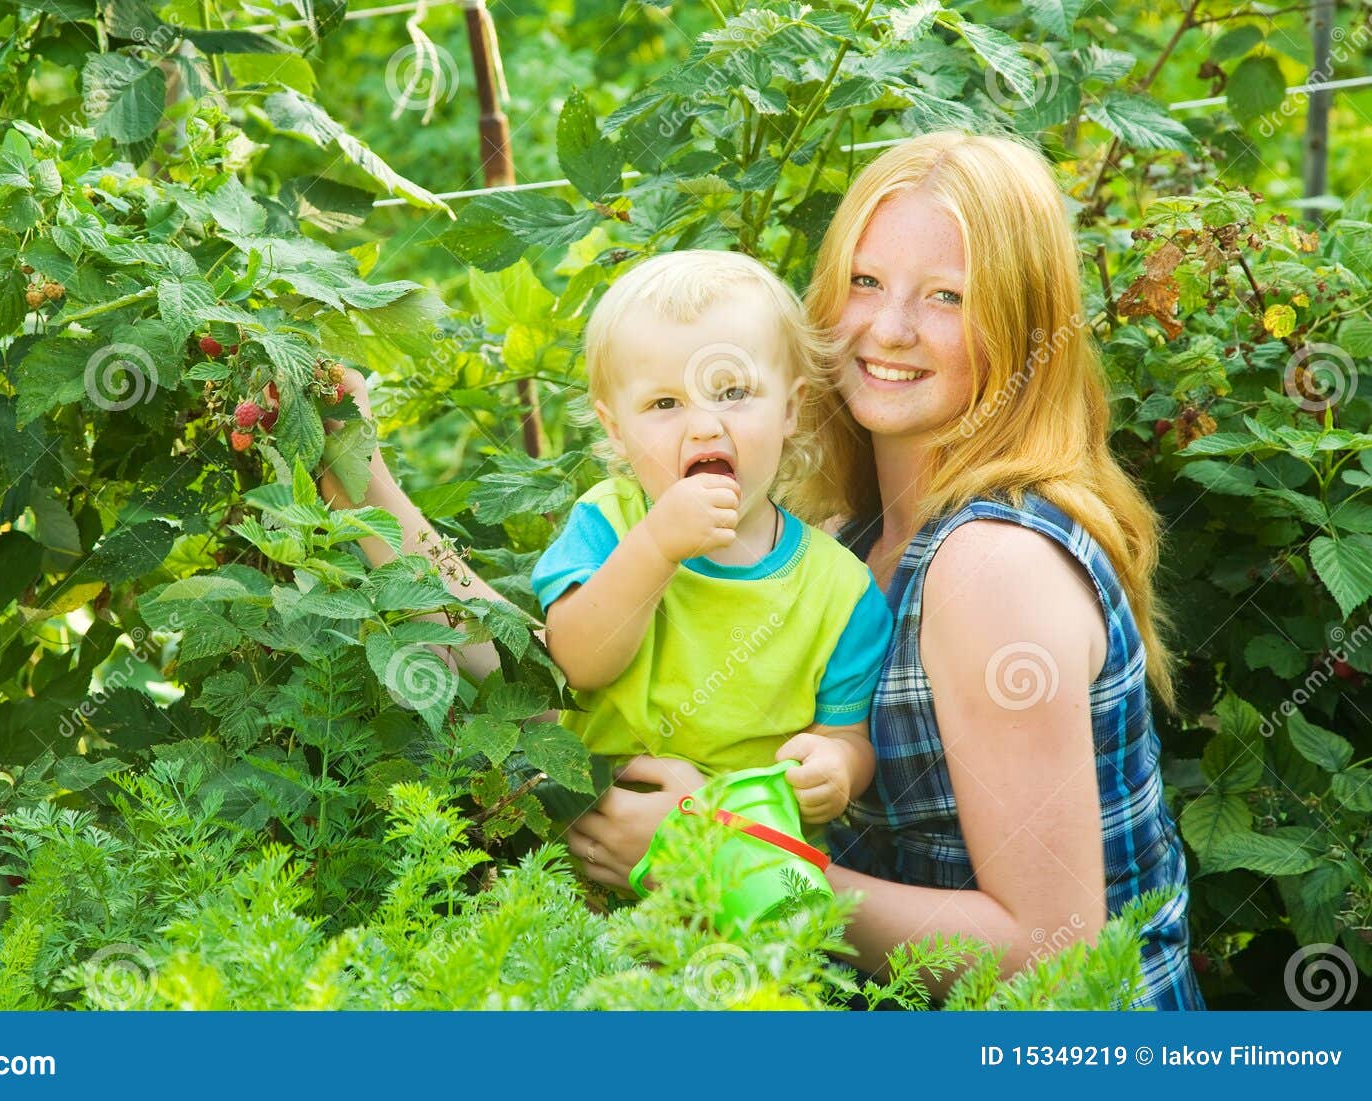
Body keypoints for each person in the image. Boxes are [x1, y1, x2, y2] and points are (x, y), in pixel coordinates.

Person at [318, 129, 1205, 1011]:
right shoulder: (841, 537)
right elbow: (542, 669)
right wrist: (359, 476)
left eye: (946, 296)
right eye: (866, 281)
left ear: (1019, 327)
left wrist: (713, 858)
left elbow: (1052, 958)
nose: (889, 327)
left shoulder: (994, 565)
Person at [527, 250, 892, 830]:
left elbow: (845, 733)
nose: (704, 425)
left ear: (791, 409)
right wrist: (655, 547)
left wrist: (838, 766)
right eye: (665, 403)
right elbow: (578, 663)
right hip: (593, 842)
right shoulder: (608, 525)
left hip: (744, 873)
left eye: (732, 393)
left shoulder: (839, 590)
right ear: (616, 430)